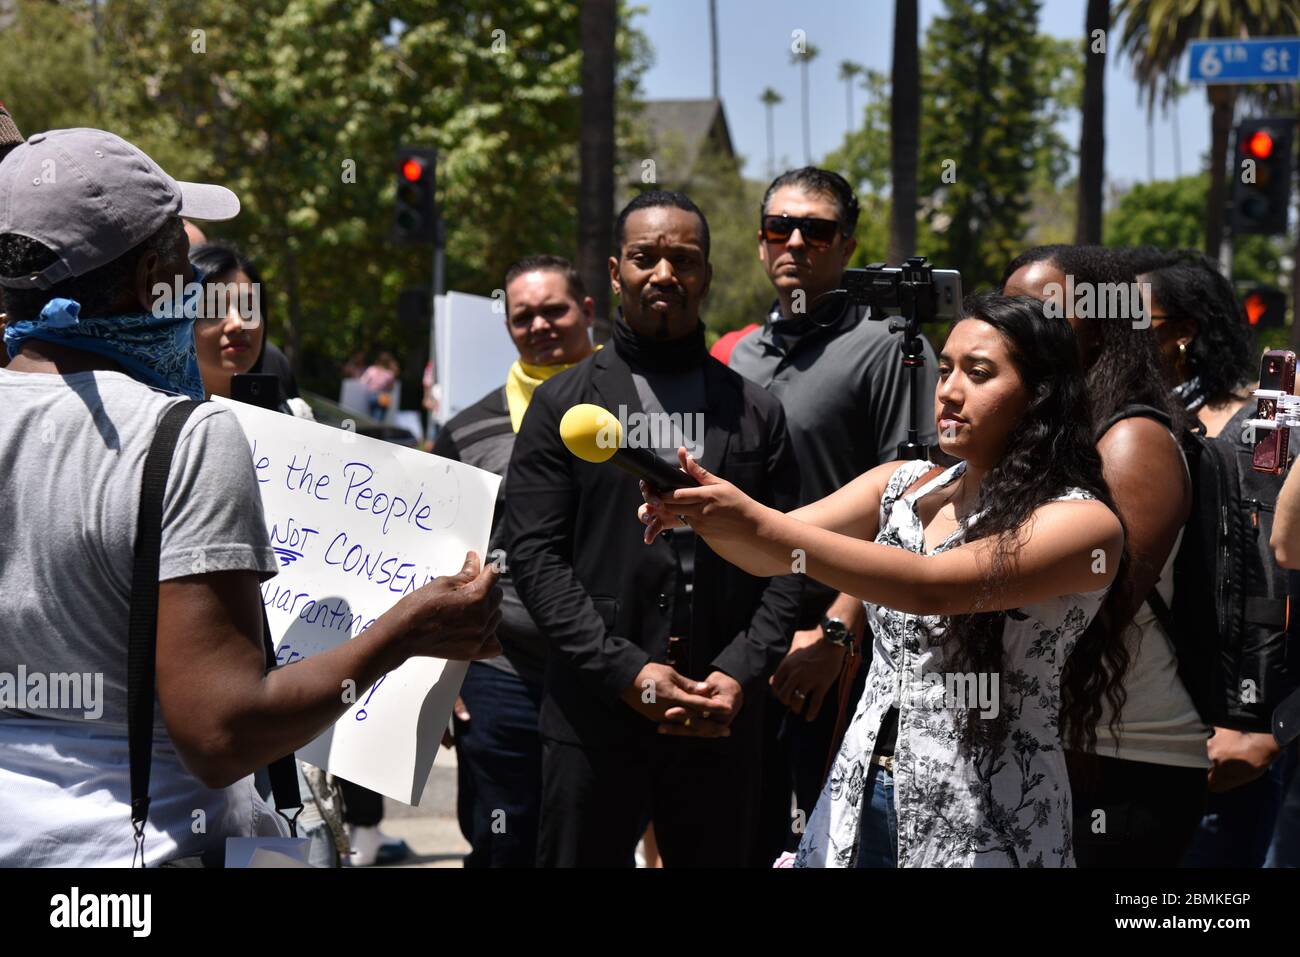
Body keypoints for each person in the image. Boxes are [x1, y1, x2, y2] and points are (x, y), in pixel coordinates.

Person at [0, 128, 503, 866]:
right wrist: (406, 631)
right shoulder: (183, 436)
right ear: (152, 279)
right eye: (179, 254)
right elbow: (221, 734)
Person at [640, 293, 1127, 867]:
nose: (948, 390)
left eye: (978, 373)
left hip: (991, 812)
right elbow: (767, 554)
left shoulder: (1083, 522)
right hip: (864, 787)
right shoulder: (902, 483)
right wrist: (698, 510)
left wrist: (752, 519)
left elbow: (931, 587)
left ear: (1039, 395)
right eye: (945, 369)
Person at [506, 189, 805, 867]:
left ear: (706, 275)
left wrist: (740, 671)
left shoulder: (756, 412)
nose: (664, 273)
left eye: (684, 259)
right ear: (615, 273)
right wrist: (625, 671)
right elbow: (535, 559)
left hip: (721, 719)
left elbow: (789, 555)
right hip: (594, 720)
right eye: (645, 257)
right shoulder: (562, 405)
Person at [727, 167, 941, 863]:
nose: (795, 241)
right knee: (743, 830)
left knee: (829, 838)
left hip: (835, 639)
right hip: (743, 629)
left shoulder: (892, 351)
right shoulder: (738, 354)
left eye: (816, 229)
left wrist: (838, 630)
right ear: (760, 244)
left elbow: (912, 503)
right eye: (778, 227)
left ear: (847, 246)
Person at [1003, 244, 1205, 867]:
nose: (1023, 326)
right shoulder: (1041, 428)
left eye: (1048, 310)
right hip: (1046, 746)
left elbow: (1094, 612)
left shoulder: (1131, 439)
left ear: (1102, 323)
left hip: (1125, 761)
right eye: (1010, 309)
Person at [434, 254, 595, 867]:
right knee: (505, 843)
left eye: (554, 309)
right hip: (500, 675)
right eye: (523, 315)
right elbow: (442, 558)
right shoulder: (466, 430)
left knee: (588, 844)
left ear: (588, 309)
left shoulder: (639, 412)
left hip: (610, 674)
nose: (540, 325)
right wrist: (443, 677)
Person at [361, 352, 399, 420]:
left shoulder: (371, 369)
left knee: (371, 418)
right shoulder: (389, 374)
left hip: (371, 395)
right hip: (382, 396)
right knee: (378, 420)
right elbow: (391, 388)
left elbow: (363, 381)